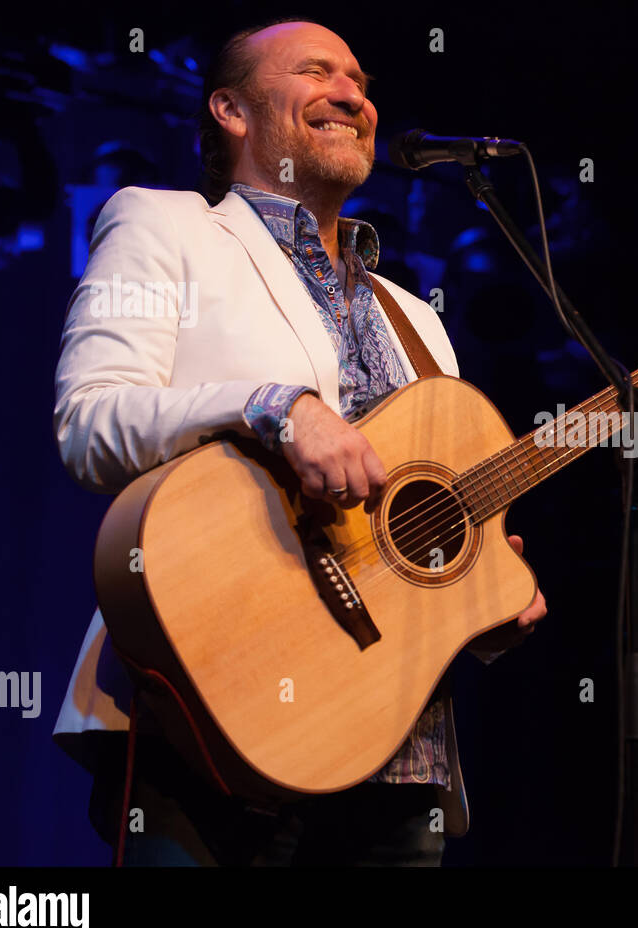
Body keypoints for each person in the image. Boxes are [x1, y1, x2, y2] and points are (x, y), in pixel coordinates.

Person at [51, 18, 547, 866]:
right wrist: (275, 405)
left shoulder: (417, 318)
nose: (353, 95)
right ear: (232, 110)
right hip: (221, 724)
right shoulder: (163, 228)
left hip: (402, 760)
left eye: (360, 80)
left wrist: (483, 598)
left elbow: (409, 539)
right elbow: (90, 423)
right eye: (317, 72)